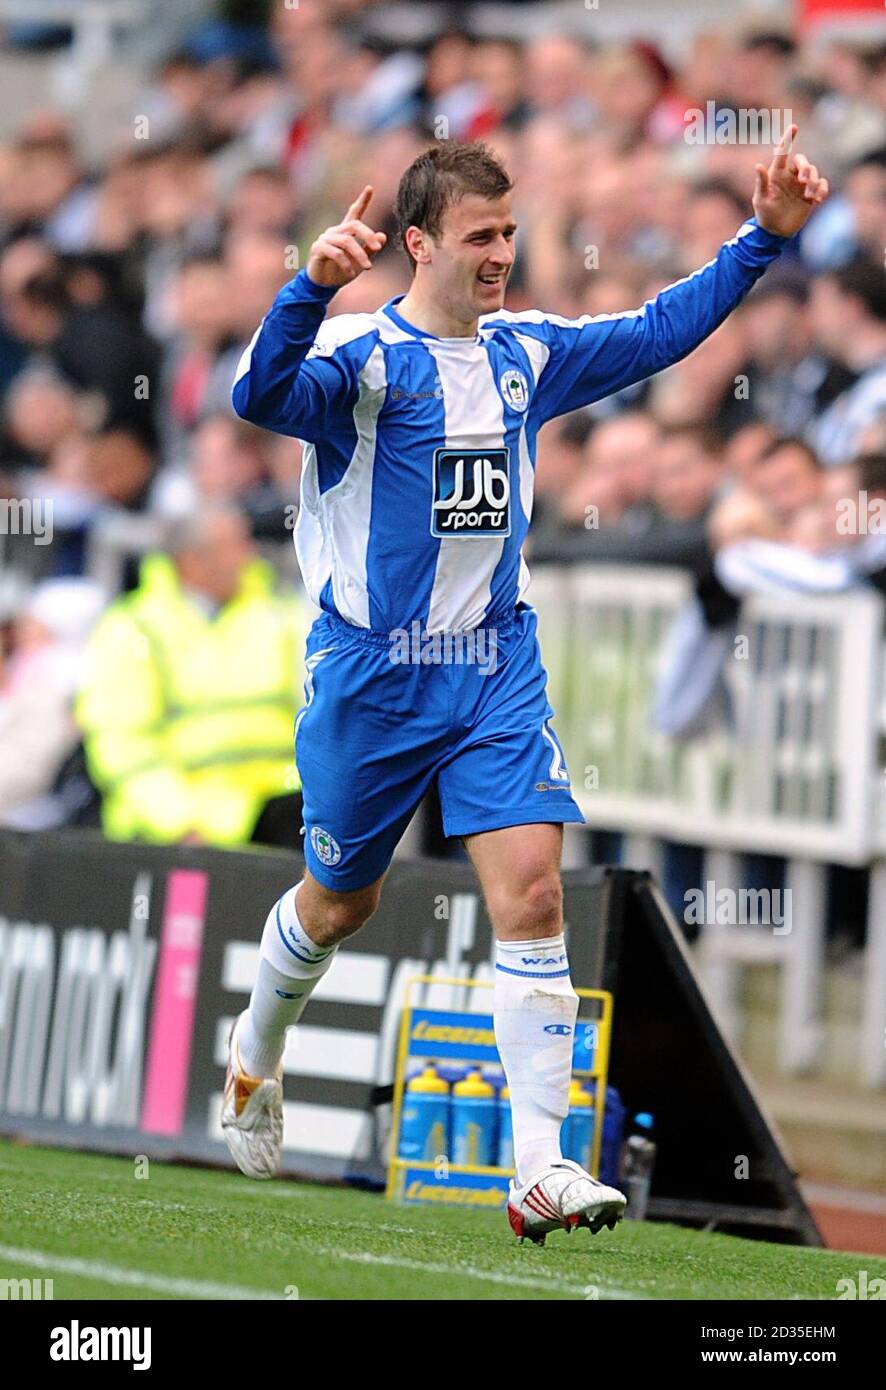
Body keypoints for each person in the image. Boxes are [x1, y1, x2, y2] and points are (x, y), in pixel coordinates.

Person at [226, 129, 828, 1245]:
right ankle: (256, 1054)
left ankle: (542, 1163)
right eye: (480, 235)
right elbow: (256, 395)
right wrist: (305, 289)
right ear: (418, 243)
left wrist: (762, 242)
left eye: (509, 232)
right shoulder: (361, 362)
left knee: (536, 892)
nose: (502, 253)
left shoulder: (528, 352)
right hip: (371, 674)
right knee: (340, 901)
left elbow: (656, 333)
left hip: (493, 664)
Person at [76, 505, 306, 848]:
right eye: (234, 546)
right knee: (188, 898)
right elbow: (122, 744)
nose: (249, 556)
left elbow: (318, 718)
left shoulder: (283, 617)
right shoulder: (133, 628)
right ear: (192, 562)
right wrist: (179, 822)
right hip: (172, 832)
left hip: (280, 812)